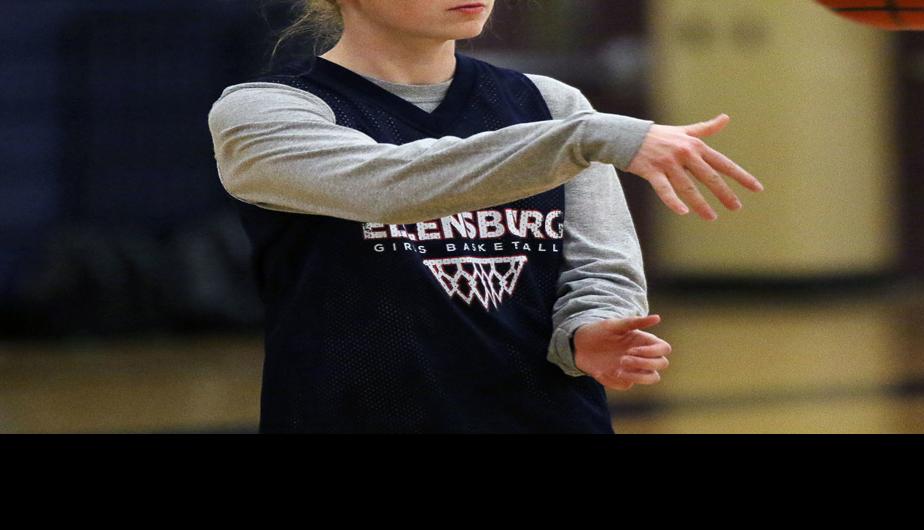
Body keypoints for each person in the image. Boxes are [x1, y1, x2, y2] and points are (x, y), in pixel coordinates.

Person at [207, 0, 764, 432]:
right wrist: (588, 137)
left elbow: (601, 263)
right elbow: (391, 185)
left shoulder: (553, 105)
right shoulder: (263, 112)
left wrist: (587, 329)